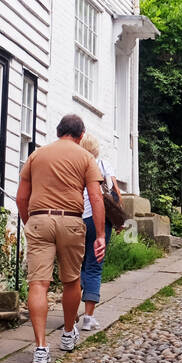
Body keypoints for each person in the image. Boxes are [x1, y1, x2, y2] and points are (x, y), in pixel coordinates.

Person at [16, 114, 106, 363]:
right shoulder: (86, 158)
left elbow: (21, 197)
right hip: (71, 221)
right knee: (71, 280)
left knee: (38, 283)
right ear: (80, 135)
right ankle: (68, 334)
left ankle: (41, 348)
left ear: (58, 131)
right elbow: (96, 198)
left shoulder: (36, 155)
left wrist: (30, 223)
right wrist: (100, 235)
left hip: (39, 219)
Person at [76, 132, 115, 333]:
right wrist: (119, 220)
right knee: (94, 266)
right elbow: (115, 193)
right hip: (97, 219)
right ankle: (88, 318)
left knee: (75, 268)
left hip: (74, 218)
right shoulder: (102, 165)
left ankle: (71, 312)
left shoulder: (71, 164)